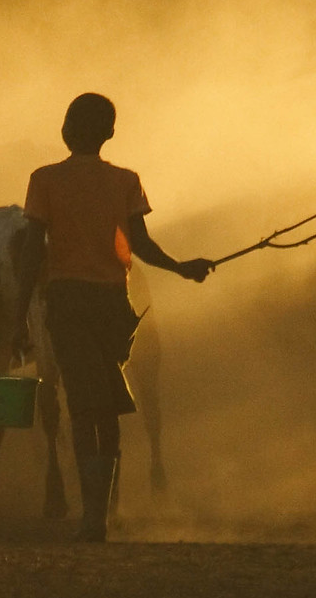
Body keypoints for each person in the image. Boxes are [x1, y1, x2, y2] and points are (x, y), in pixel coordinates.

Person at [20, 93, 213, 542]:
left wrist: (17, 315)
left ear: (66, 129)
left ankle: (93, 517)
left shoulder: (43, 180)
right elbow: (140, 245)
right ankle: (102, 513)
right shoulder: (126, 181)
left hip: (67, 303)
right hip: (113, 305)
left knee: (82, 405)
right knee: (106, 406)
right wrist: (182, 267)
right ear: (108, 133)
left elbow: (32, 252)